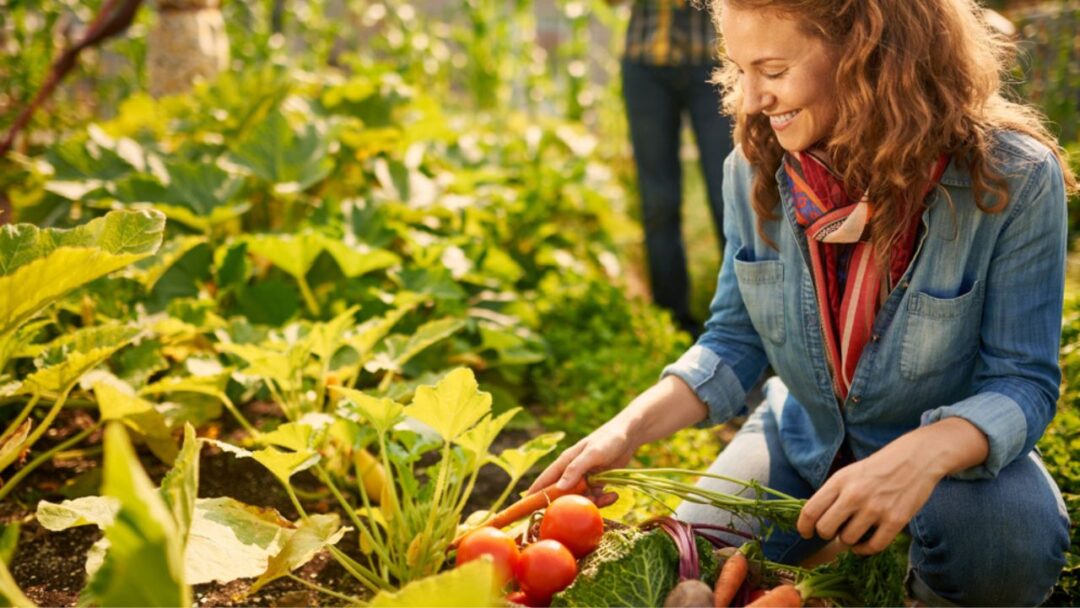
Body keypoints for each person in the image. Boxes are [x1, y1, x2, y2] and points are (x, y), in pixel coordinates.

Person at [531, 0, 1076, 604]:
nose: (749, 100)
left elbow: (1022, 382)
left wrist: (919, 457)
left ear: (868, 58)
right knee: (692, 562)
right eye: (740, 71)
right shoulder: (753, 167)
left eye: (772, 70)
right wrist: (627, 430)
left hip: (949, 458)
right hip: (804, 433)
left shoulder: (1012, 179)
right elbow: (734, 341)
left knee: (1009, 550)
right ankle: (833, 546)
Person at [609, 0, 733, 336]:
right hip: (646, 64)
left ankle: (744, 322)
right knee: (658, 203)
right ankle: (673, 324)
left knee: (728, 196)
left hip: (713, 60)